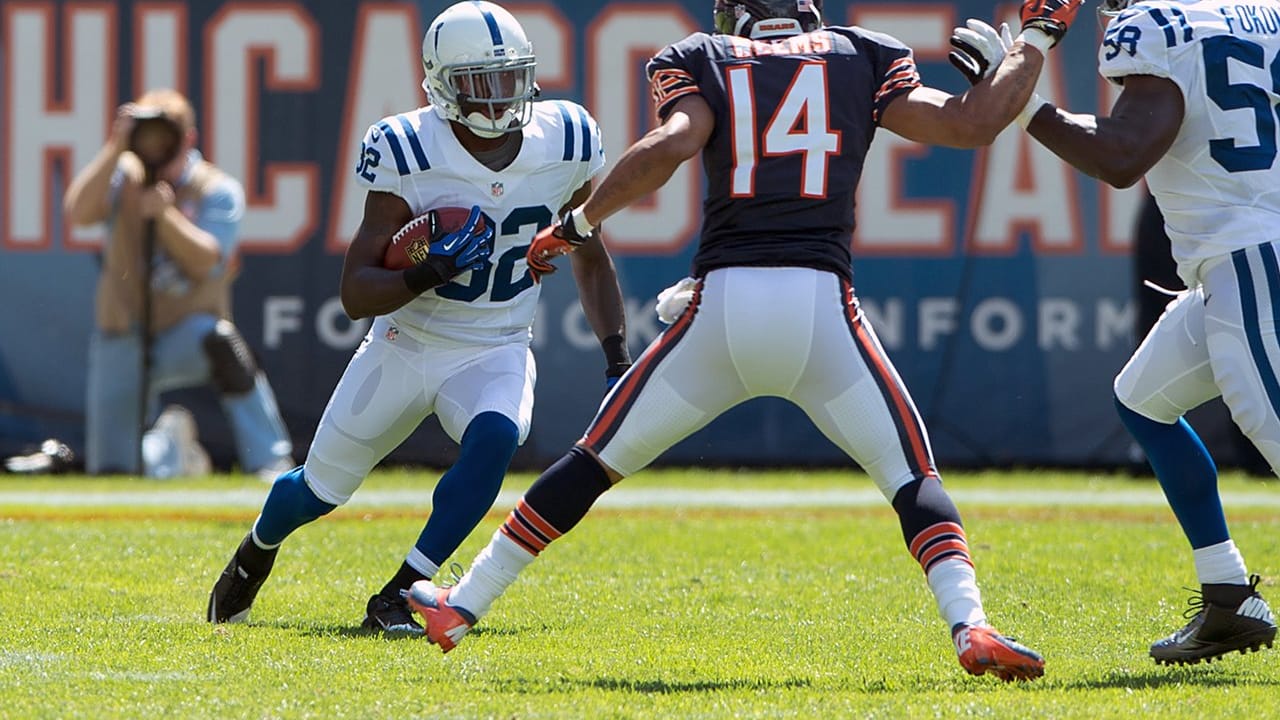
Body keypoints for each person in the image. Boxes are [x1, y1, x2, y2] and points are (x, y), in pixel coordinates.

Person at [405, 0, 1083, 681]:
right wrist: (1036, 38)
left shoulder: (702, 57)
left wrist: (578, 222)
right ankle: (971, 625)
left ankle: (462, 606)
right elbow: (974, 122)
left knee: (593, 462)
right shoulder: (862, 54)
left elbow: (670, 145)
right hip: (821, 309)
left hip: (723, 308)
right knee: (912, 479)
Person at [206, 0, 630, 634]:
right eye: (477, 85)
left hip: (497, 341)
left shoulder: (566, 138)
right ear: (440, 86)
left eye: (507, 80)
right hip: (406, 340)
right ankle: (255, 552)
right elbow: (355, 292)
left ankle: (403, 590)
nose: (495, 101)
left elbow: (590, 257)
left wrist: (617, 356)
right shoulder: (407, 146)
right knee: (316, 491)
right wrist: (427, 272)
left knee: (495, 438)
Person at [949, 0, 1280, 664]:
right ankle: (1227, 599)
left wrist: (1025, 104)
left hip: (1250, 259)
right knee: (1144, 400)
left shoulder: (1153, 23)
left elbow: (1123, 156)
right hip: (1238, 258)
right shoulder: (1260, 13)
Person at [62, 89, 294, 480]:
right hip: (123, 336)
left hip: (185, 335)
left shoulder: (216, 189)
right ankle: (170, 449)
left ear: (187, 138)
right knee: (116, 470)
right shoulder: (122, 178)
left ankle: (271, 461)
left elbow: (208, 260)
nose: (154, 145)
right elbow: (78, 213)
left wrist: (165, 215)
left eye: (163, 134)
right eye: (145, 134)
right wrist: (115, 146)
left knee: (225, 345)